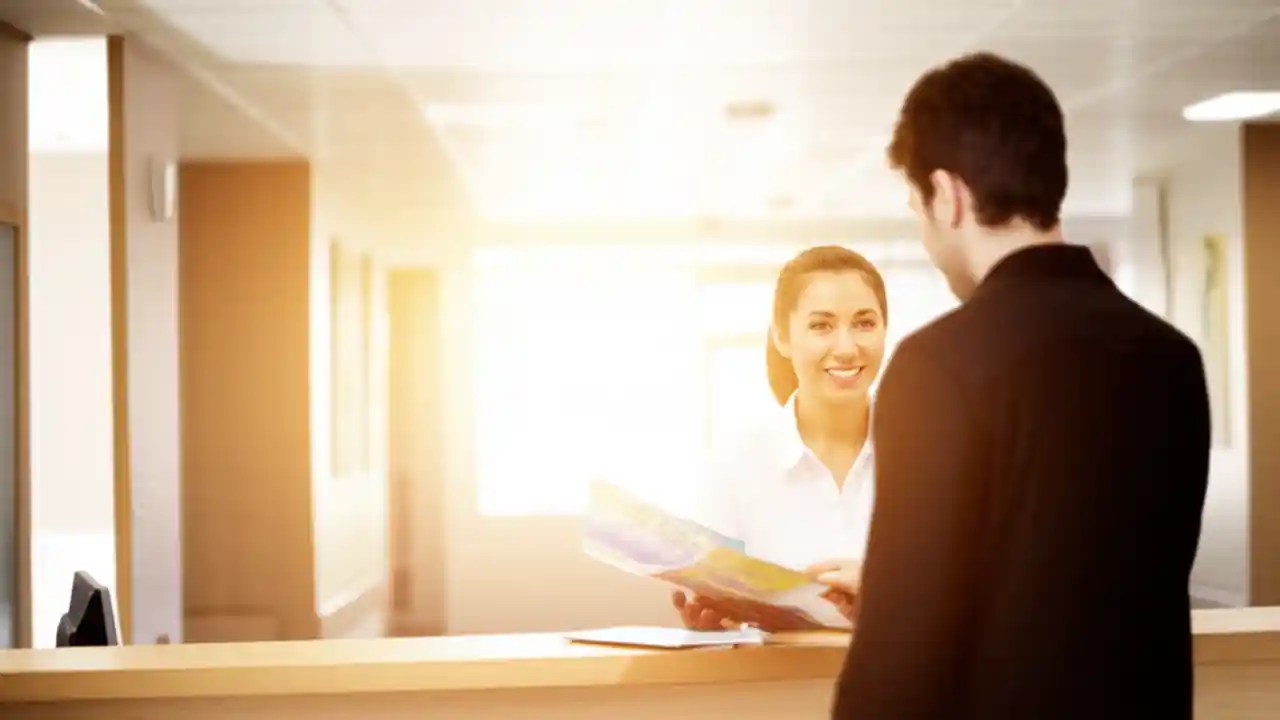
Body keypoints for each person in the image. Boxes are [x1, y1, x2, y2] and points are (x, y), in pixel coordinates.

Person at [832, 53, 1210, 719]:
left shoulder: (939, 366)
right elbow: (1086, 581)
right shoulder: (1171, 358)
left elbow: (900, 661)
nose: (924, 233)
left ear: (947, 196)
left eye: (919, 208)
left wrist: (898, 598)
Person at [673, 245, 887, 630]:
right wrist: (711, 623)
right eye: (821, 325)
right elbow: (716, 614)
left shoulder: (932, 455)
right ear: (783, 338)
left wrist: (889, 592)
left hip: (907, 687)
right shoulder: (735, 463)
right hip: (775, 687)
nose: (846, 347)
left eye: (865, 323)